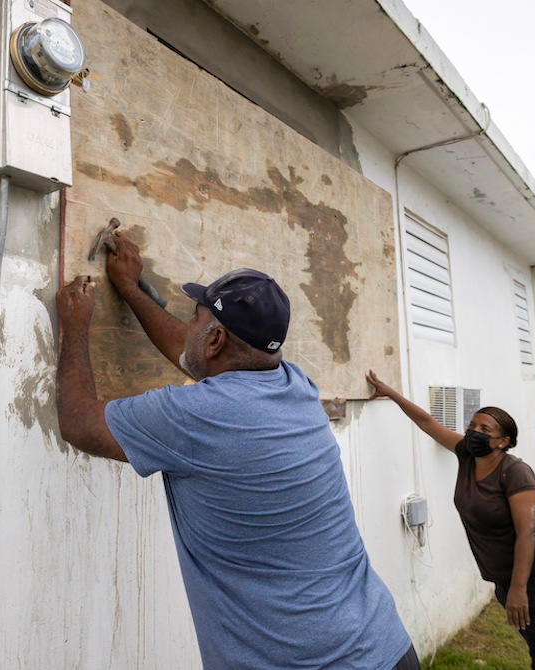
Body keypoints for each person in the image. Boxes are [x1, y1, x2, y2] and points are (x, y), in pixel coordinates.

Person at [54, 231, 418, 669]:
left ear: (215, 341)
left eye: (195, 318)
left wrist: (75, 326)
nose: (187, 327)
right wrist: (130, 289)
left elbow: (77, 422)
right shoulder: (295, 385)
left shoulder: (196, 417)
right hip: (384, 646)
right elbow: (188, 352)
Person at [366, 371, 535, 670]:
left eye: (484, 428)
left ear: (503, 441)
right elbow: (428, 424)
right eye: (472, 425)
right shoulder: (466, 454)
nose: (474, 431)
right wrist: (389, 392)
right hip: (507, 578)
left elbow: (528, 532)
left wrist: (518, 589)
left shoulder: (515, 472)